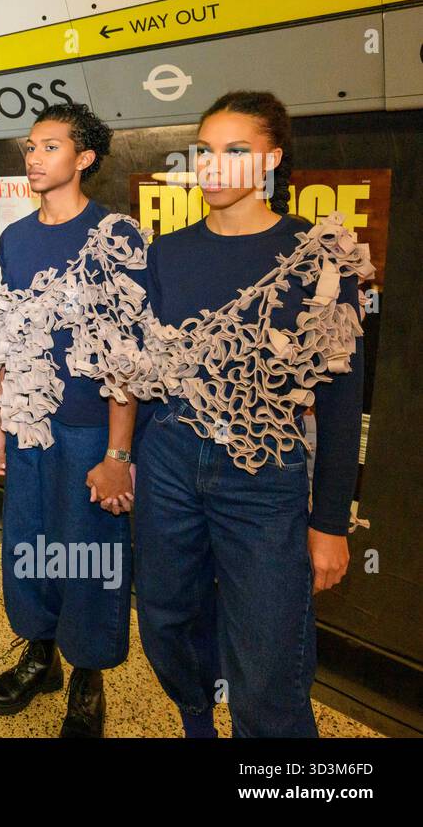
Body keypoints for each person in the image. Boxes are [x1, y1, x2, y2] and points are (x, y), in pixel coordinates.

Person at [130, 92, 365, 737]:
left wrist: (330, 521)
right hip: (171, 458)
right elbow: (149, 377)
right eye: (205, 151)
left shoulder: (315, 256)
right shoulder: (168, 252)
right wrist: (129, 458)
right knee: (166, 620)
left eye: (236, 151)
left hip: (264, 470)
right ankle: (198, 720)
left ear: (271, 159)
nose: (214, 166)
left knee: (267, 660)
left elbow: (343, 403)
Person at [0, 104, 143, 737]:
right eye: (30, 146)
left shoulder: (117, 235)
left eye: (51, 146)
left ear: (85, 158)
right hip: (27, 423)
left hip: (89, 432)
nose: (34, 157)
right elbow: (11, 338)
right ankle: (40, 653)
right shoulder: (15, 239)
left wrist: (118, 454)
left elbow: (127, 353)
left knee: (91, 552)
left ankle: (88, 677)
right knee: (30, 543)